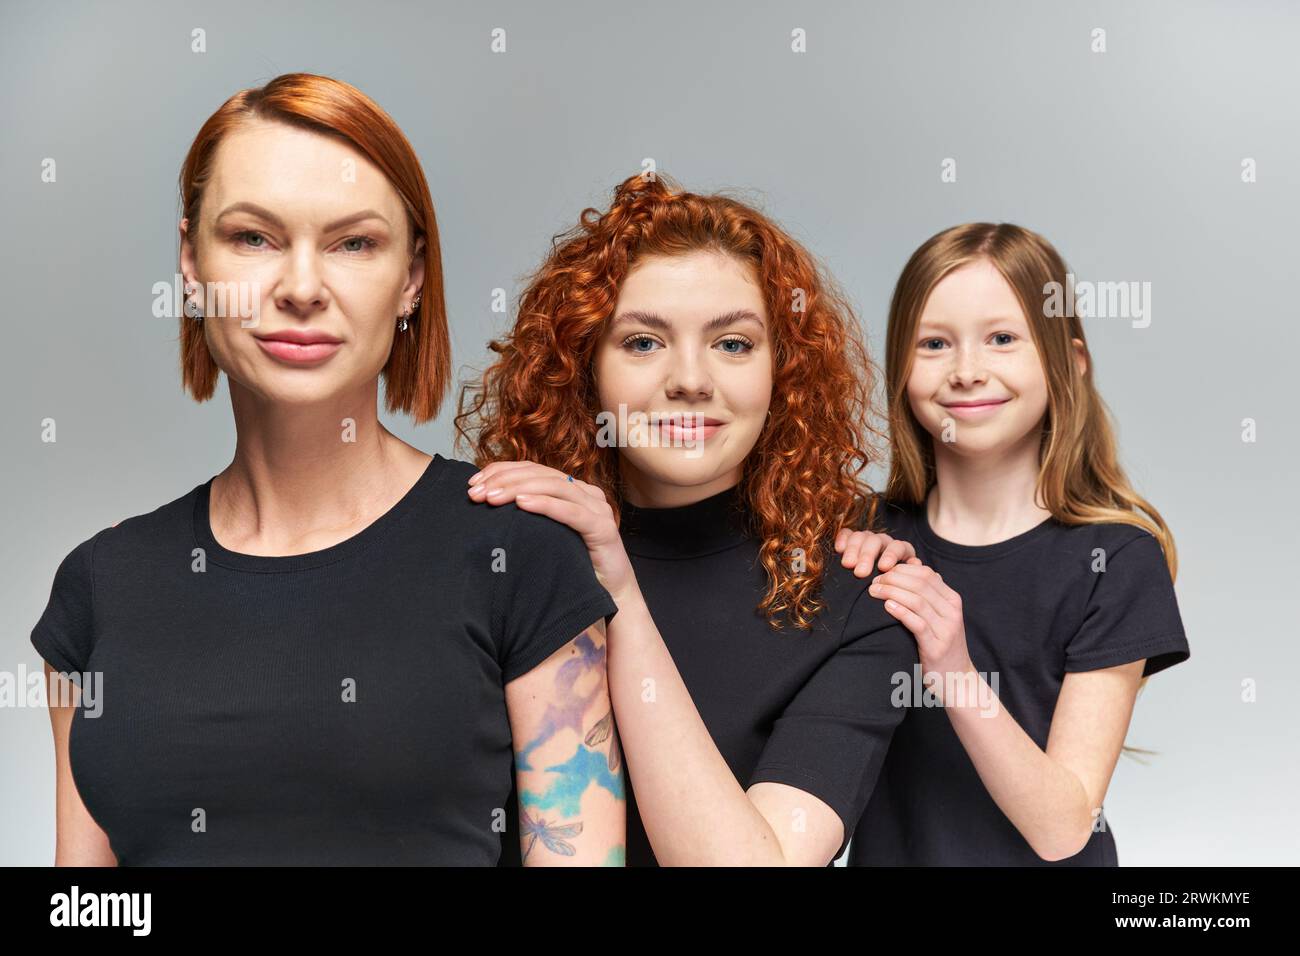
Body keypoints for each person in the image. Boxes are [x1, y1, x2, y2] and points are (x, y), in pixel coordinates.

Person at [30, 73, 621, 866]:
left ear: (411, 277)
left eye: (353, 243)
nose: (301, 288)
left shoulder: (519, 561)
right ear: (190, 263)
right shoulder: (99, 587)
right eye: (253, 238)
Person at [458, 172, 919, 866]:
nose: (691, 380)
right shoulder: (502, 548)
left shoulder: (863, 581)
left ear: (782, 371)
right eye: (643, 342)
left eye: (732, 344)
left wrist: (617, 591)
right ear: (585, 370)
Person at [838, 223, 1190, 865]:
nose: (967, 371)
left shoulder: (1115, 561)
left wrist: (951, 668)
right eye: (935, 343)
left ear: (1069, 364)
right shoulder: (864, 537)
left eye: (1002, 339)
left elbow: (1064, 828)